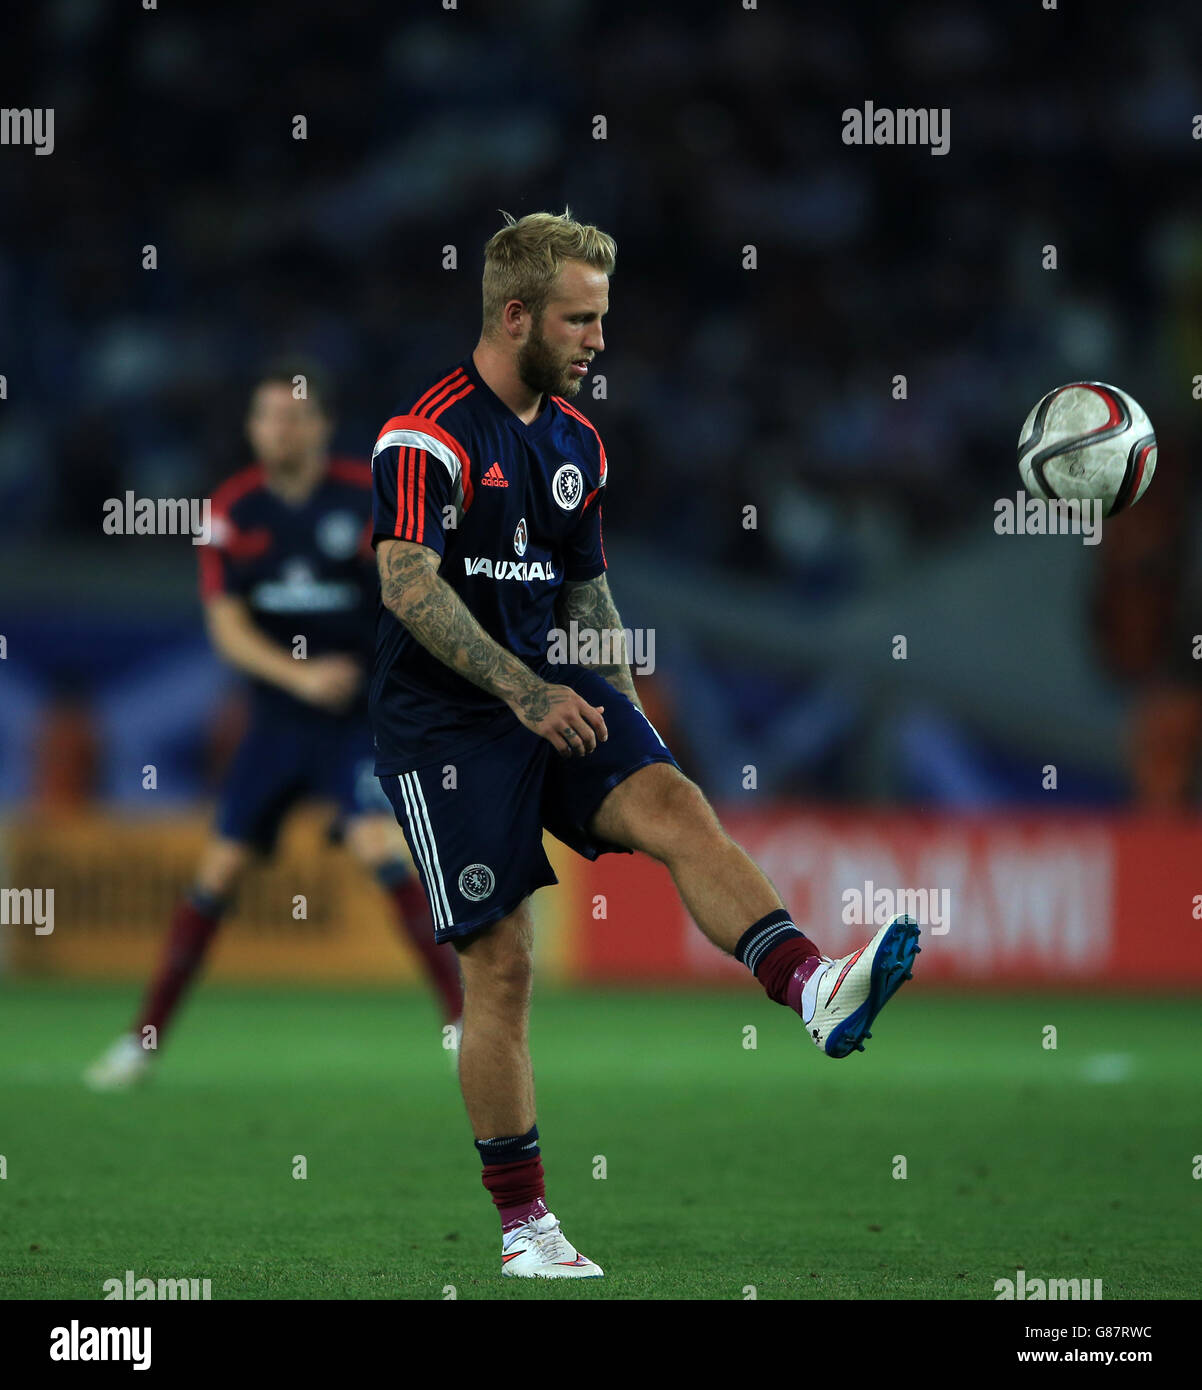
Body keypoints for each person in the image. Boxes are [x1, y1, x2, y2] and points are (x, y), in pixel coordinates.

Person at [369, 210, 920, 1278]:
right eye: (579, 320)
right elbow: (403, 582)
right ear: (515, 314)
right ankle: (525, 1225)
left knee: (674, 803)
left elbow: (585, 591)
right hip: (445, 731)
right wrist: (524, 692)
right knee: (503, 966)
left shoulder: (576, 443)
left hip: (552, 693)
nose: (597, 341)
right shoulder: (427, 433)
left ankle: (811, 987)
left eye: (602, 319)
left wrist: (629, 727)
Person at [85, 365, 463, 1090]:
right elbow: (227, 631)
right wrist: (300, 677)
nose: (277, 430)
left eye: (291, 418)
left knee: (378, 847)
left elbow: (416, 595)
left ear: (321, 425)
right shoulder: (235, 511)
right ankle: (143, 1042)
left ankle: (460, 1021)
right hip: (277, 724)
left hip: (358, 724)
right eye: (265, 418)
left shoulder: (368, 499)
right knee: (217, 874)